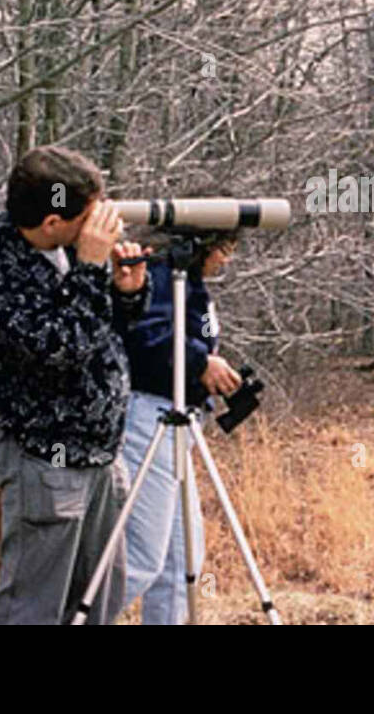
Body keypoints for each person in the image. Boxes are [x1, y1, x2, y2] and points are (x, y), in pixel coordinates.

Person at [0, 146, 149, 625]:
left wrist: (126, 294)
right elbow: (60, 353)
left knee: (97, 602)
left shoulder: (64, 252)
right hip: (45, 458)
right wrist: (89, 269)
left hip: (100, 456)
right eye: (86, 217)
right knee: (34, 607)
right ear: (50, 221)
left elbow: (99, 339)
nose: (96, 228)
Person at [120, 228, 242, 624]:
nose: (226, 259)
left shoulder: (191, 282)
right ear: (204, 242)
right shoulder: (159, 272)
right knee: (142, 558)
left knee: (181, 562)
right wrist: (199, 362)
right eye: (223, 248)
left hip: (178, 422)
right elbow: (144, 335)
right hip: (149, 418)